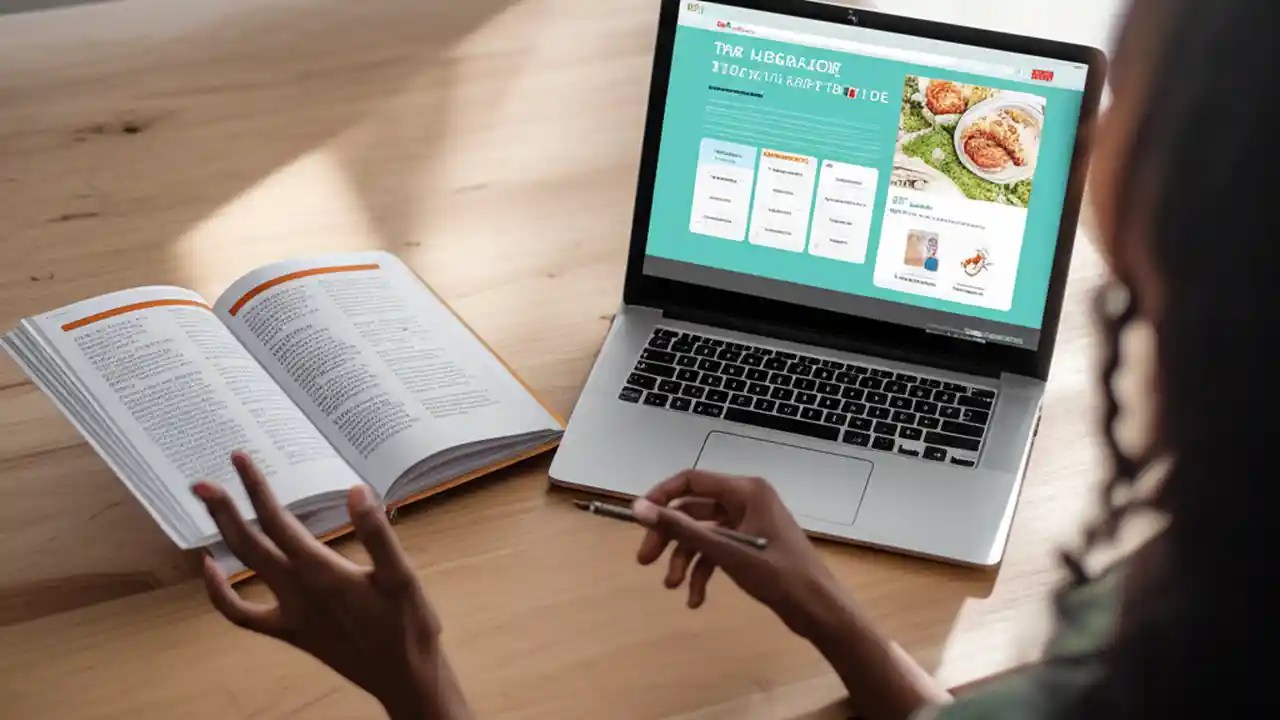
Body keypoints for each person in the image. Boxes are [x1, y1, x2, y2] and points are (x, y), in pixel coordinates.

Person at [190, 0, 1273, 717]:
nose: (1092, 135)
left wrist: (415, 675)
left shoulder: (1165, 643)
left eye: (1127, 94)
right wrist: (827, 610)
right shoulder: (1216, 572)